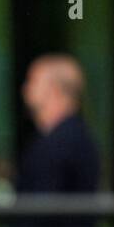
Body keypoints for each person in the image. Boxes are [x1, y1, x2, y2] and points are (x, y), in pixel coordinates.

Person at [17, 53, 100, 194]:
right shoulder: (74, 137)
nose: (26, 89)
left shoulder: (63, 143)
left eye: (33, 81)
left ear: (54, 90)